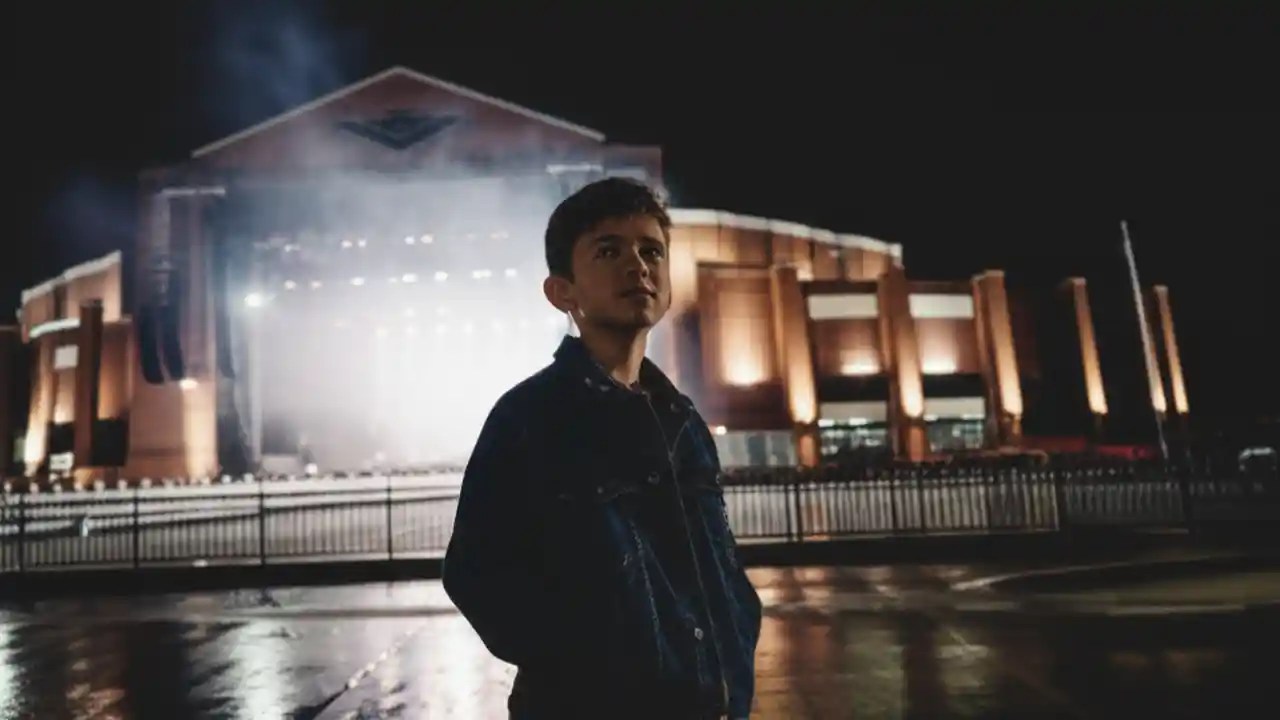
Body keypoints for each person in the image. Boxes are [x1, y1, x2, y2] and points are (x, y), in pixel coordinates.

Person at [443, 177, 762, 719]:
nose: (637, 265)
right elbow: (475, 574)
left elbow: (719, 567)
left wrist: (735, 644)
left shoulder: (681, 420)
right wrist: (583, 666)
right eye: (608, 251)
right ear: (561, 291)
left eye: (650, 250)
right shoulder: (532, 417)